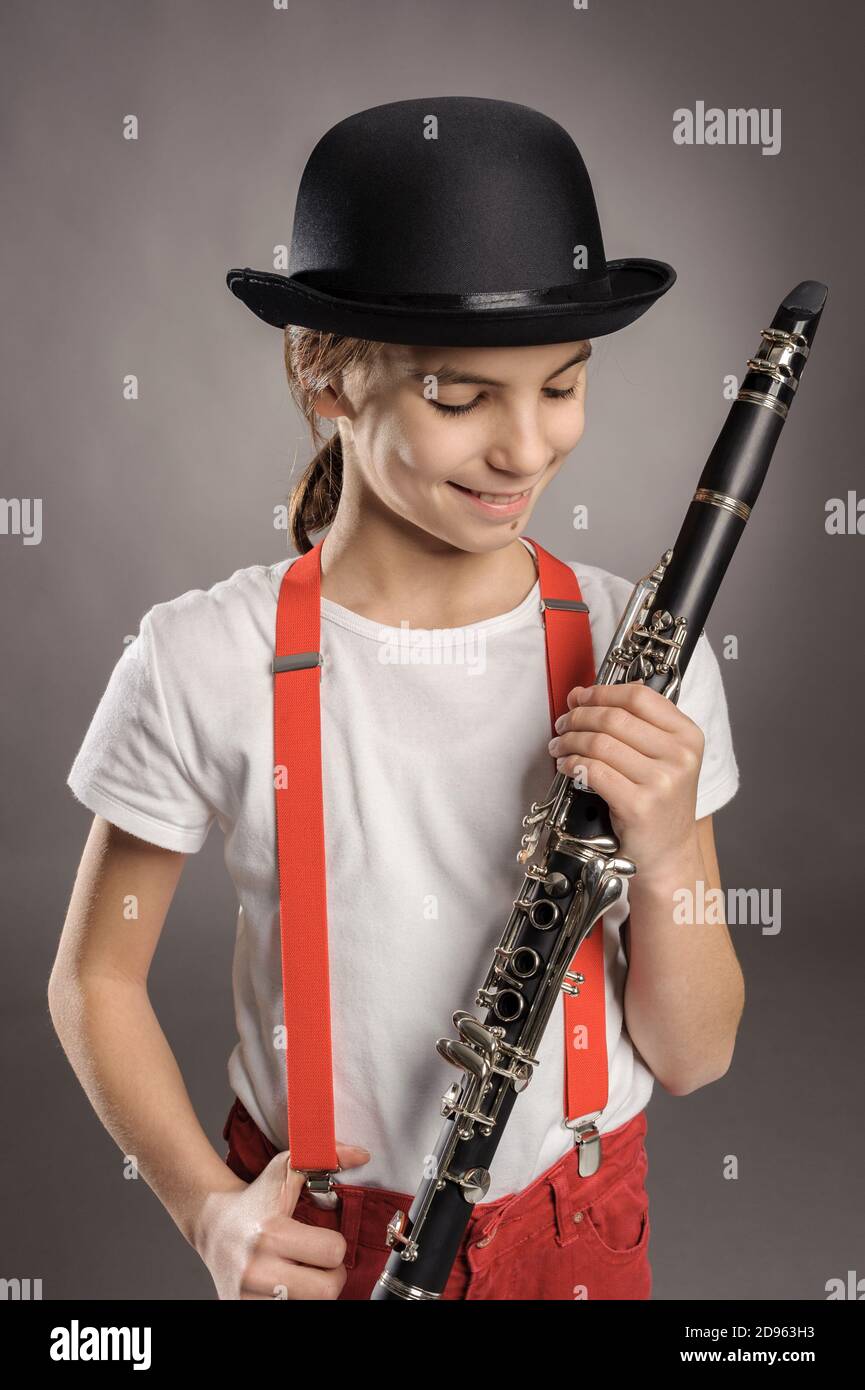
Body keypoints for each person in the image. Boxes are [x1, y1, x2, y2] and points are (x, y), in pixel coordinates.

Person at [50, 96, 745, 1301]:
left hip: (578, 1226)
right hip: (325, 1242)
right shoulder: (199, 657)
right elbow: (93, 979)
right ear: (325, 374)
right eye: (460, 398)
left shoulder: (644, 649)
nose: (526, 449)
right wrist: (207, 1210)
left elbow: (694, 1055)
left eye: (562, 386)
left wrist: (670, 845)